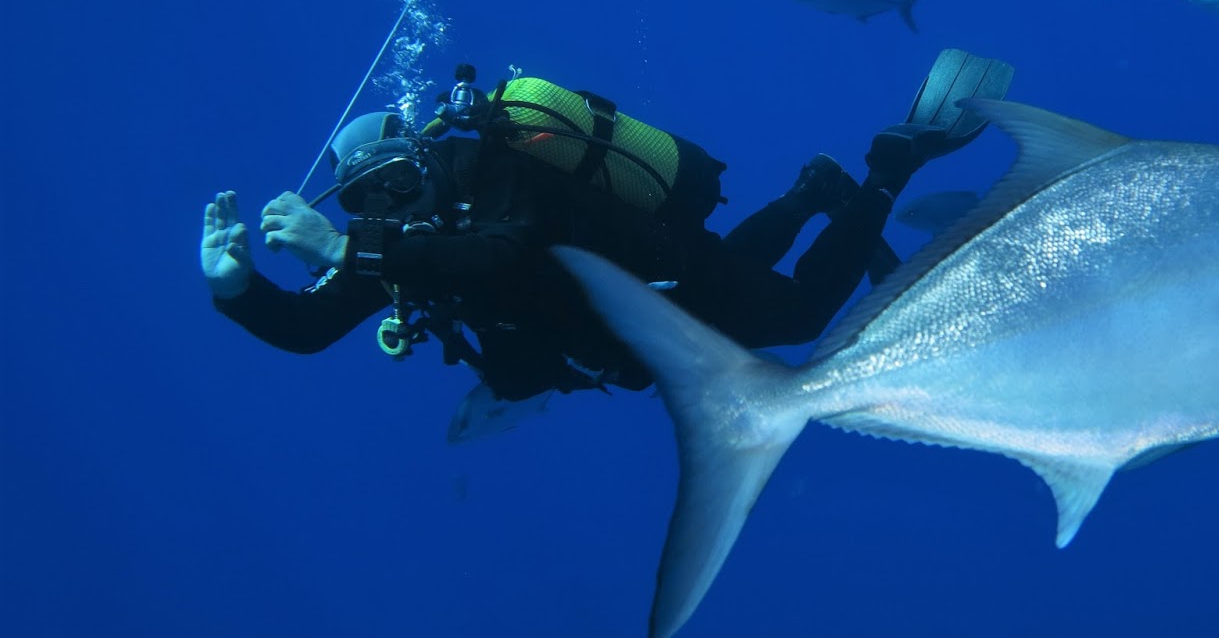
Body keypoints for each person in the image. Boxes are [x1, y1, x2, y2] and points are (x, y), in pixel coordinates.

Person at [201, 50, 1012, 435]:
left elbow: (504, 254)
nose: (397, 206)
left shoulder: (483, 172)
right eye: (372, 203)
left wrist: (351, 250)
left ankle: (887, 169)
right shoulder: (393, 246)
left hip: (659, 277)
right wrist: (235, 286)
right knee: (737, 271)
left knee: (797, 314)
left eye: (402, 185)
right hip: (638, 316)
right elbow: (306, 330)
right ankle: (809, 194)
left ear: (419, 158)